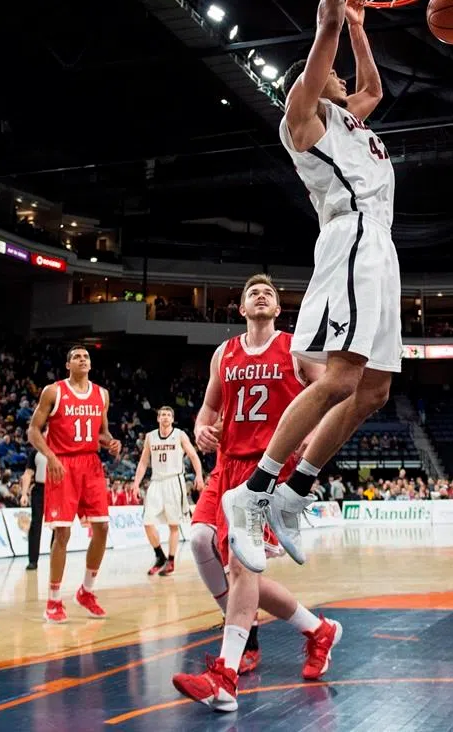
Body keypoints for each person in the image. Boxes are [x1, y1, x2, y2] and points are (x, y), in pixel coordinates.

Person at [223, 0, 399, 573]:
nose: (343, 79)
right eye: (331, 73)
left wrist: (359, 29)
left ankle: (294, 494)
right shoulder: (304, 118)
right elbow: (322, 27)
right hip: (351, 238)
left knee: (374, 391)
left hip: (382, 246)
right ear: (309, 81)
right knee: (341, 378)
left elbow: (372, 83)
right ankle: (252, 495)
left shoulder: (351, 116)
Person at [172, 275, 339, 713]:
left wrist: (313, 440)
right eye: (252, 293)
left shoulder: (296, 348)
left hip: (267, 470)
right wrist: (203, 430)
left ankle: (227, 672)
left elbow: (331, 398)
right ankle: (314, 630)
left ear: (278, 309)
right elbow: (209, 409)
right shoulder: (223, 353)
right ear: (242, 308)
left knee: (242, 569)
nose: (261, 295)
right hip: (226, 464)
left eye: (269, 293)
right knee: (198, 541)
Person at [26, 345, 120, 624]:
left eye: (86, 357)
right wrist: (50, 456)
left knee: (102, 527)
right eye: (77, 357)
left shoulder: (101, 394)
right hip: (63, 465)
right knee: (62, 535)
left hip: (90, 464)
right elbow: (33, 430)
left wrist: (110, 443)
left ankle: (86, 591)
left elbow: (102, 433)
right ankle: (54, 600)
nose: (83, 360)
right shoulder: (53, 392)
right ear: (68, 364)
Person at [133, 406, 205, 576]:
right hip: (156, 481)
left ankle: (171, 561)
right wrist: (136, 483)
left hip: (175, 480)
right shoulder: (150, 437)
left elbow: (194, 456)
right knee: (147, 521)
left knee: (174, 525)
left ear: (172, 419)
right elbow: (143, 462)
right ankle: (159, 556)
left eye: (168, 415)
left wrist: (199, 476)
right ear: (158, 419)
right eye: (162, 415)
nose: (165, 417)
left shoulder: (179, 435)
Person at [20, 452, 48, 571]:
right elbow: (27, 474)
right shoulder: (35, 452)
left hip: (57, 489)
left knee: (58, 525)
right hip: (40, 489)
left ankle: (56, 556)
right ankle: (32, 560)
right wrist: (24, 494)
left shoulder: (61, 447)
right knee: (36, 524)